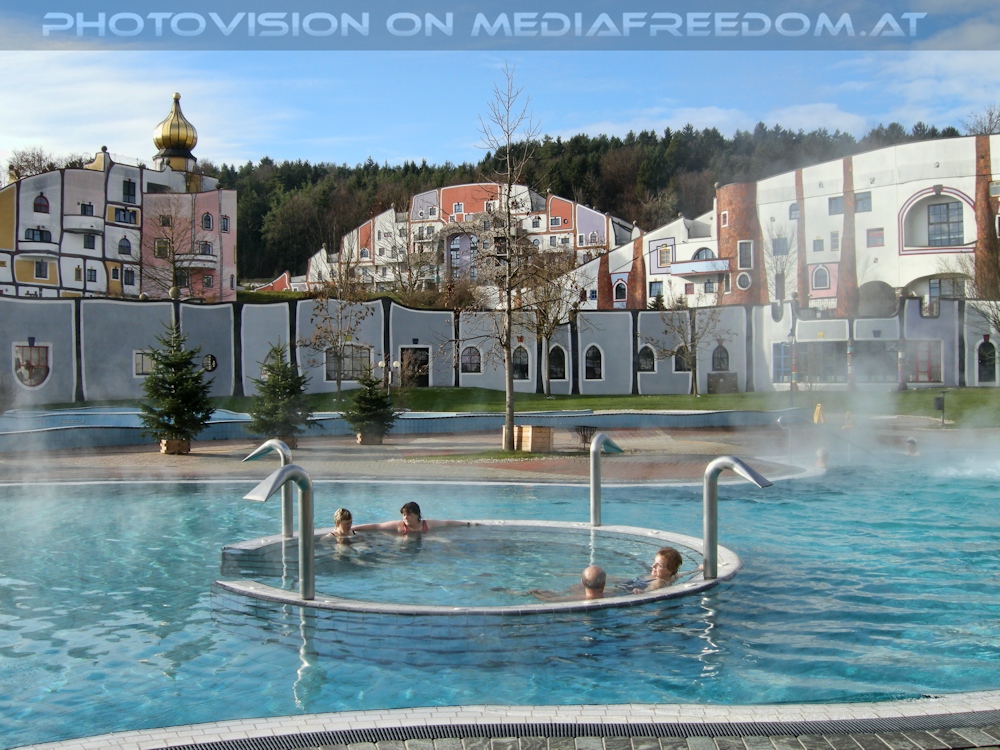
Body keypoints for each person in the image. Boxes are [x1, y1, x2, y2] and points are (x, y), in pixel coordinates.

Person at [352, 501, 471, 534]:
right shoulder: (399, 526)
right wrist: (353, 528)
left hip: (424, 541)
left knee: (445, 542)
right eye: (404, 514)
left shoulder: (427, 524)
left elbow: (447, 523)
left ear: (417, 515)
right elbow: (377, 526)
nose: (405, 517)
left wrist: (467, 524)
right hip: (404, 543)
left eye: (408, 514)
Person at [529, 565, 607, 602]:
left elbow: (547, 599)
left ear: (582, 583)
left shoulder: (577, 599)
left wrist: (532, 592)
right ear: (603, 584)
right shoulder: (611, 594)